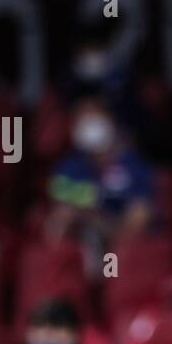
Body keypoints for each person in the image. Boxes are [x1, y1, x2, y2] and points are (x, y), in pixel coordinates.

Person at [44, 95, 156, 275]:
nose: (89, 125)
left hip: (124, 253)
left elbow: (138, 221)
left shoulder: (135, 167)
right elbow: (57, 219)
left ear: (109, 121)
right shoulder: (67, 170)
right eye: (83, 119)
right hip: (82, 245)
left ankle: (108, 278)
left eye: (94, 117)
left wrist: (102, 223)